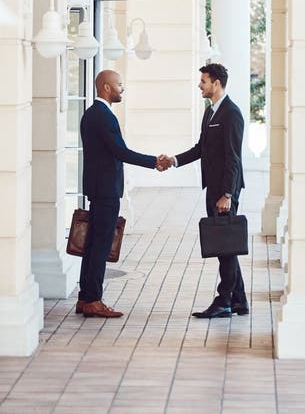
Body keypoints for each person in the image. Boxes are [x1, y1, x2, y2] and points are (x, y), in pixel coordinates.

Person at [77, 69, 172, 317]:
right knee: (100, 245)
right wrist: (154, 161)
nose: (123, 89)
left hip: (98, 188)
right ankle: (93, 300)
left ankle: (85, 298)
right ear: (106, 88)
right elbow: (121, 151)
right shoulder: (103, 116)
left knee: (92, 244)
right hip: (106, 190)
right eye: (119, 85)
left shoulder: (90, 114)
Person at [159, 63, 248, 319]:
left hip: (225, 192)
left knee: (225, 247)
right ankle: (239, 301)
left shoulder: (232, 114)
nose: (200, 85)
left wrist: (228, 195)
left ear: (216, 83)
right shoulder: (210, 112)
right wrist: (173, 160)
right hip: (214, 188)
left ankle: (224, 301)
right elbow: (201, 148)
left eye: (203, 81)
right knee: (225, 243)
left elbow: (234, 158)